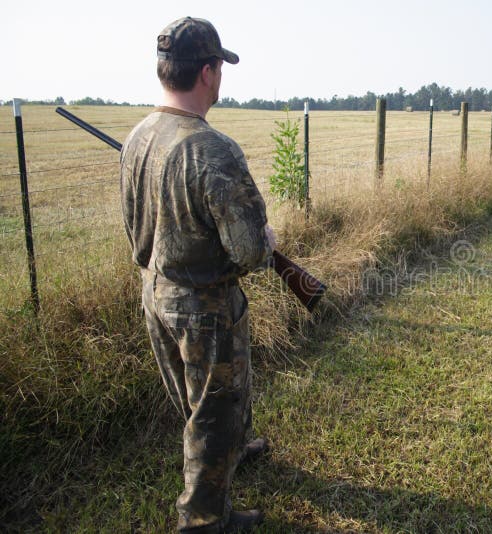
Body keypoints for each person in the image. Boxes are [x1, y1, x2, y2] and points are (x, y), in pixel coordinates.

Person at [120, 16, 275, 533]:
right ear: (208, 72)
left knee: (198, 404)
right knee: (212, 414)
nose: (220, 76)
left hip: (154, 293)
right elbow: (250, 250)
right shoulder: (212, 148)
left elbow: (133, 225)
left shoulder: (139, 136)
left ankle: (232, 452)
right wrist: (268, 240)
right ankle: (203, 520)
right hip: (204, 308)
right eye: (220, 67)